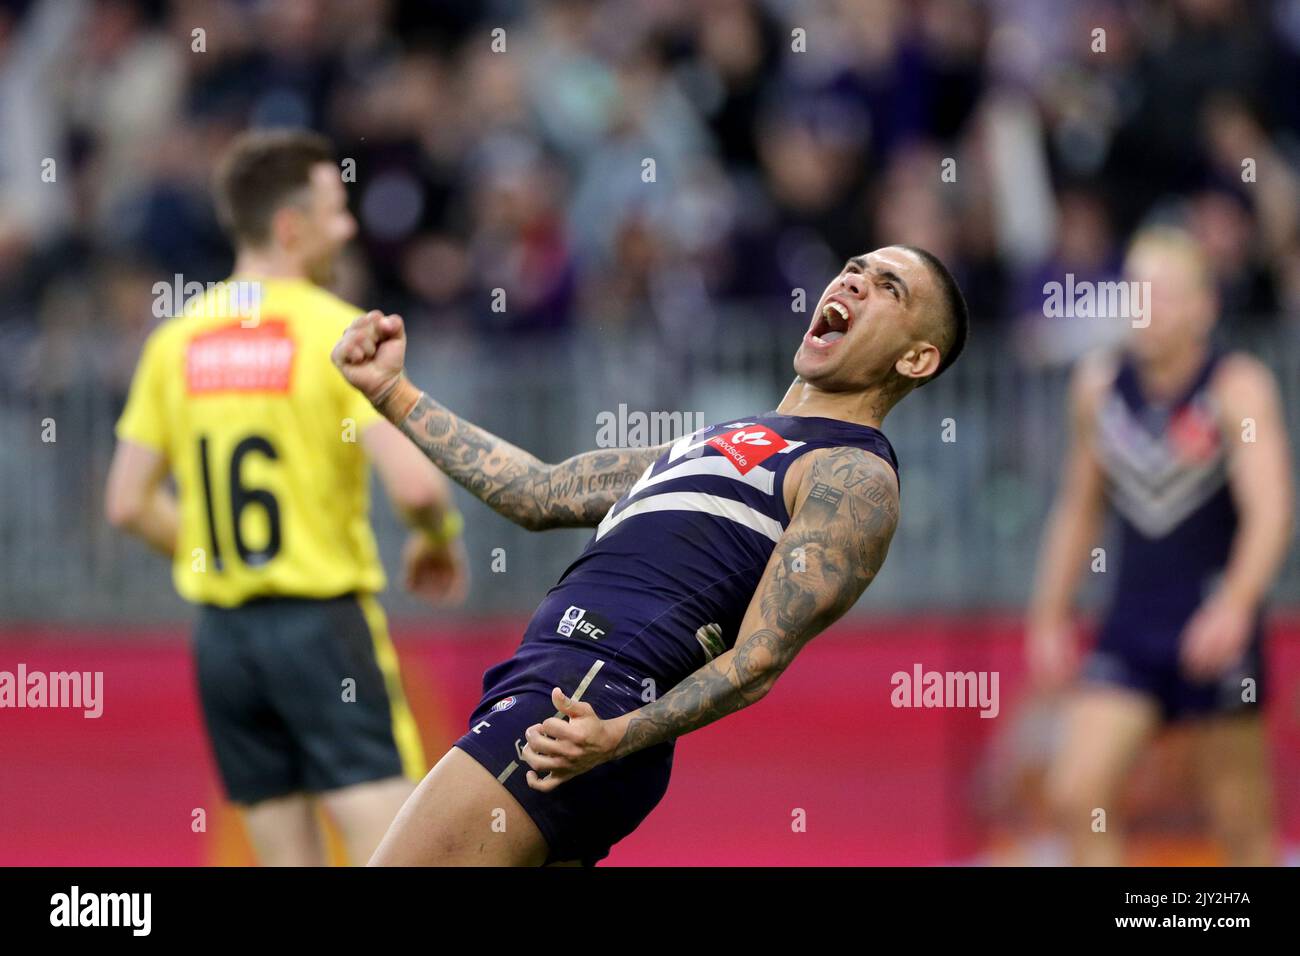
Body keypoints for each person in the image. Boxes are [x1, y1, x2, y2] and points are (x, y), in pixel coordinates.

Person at [332, 244, 969, 865]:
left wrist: (616, 735)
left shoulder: (852, 473)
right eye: (855, 269)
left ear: (916, 358)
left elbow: (760, 659)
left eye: (889, 287)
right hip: (565, 700)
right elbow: (537, 491)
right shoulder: (722, 437)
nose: (855, 282)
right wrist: (392, 392)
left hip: (582, 700)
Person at [105, 129, 468, 866]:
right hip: (322, 628)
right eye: (337, 209)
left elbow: (126, 504)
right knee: (398, 853)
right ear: (290, 226)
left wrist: (214, 553)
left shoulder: (177, 341)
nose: (350, 226)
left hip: (223, 640)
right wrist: (435, 538)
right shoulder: (338, 334)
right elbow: (418, 483)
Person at [1027, 227, 1294, 865]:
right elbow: (1077, 510)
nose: (1148, 310)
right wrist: (1049, 615)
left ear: (1205, 308)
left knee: (1240, 821)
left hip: (1212, 626)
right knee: (1077, 791)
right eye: (1138, 292)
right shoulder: (1098, 387)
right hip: (1132, 624)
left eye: (1167, 295)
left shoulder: (1236, 386)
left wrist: (1235, 604)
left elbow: (1273, 511)